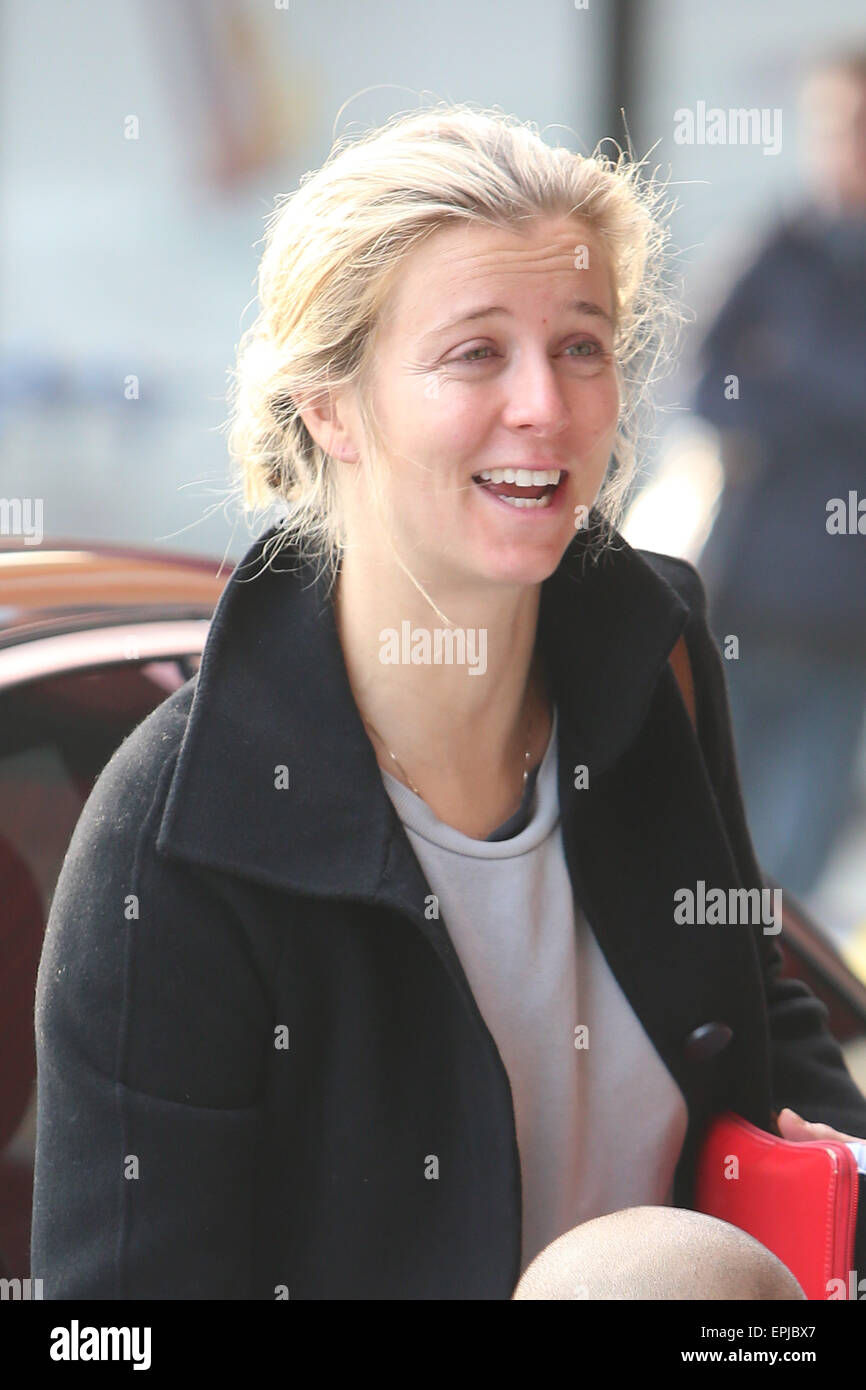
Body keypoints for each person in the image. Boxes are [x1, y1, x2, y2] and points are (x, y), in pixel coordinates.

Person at [30, 103, 866, 1300]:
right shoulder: (175, 836)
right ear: (330, 406)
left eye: (580, 346)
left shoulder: (651, 660)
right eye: (475, 353)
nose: (545, 402)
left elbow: (753, 1009)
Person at [690, 51, 866, 901]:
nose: (846, 149)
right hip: (749, 594)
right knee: (717, 839)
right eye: (834, 128)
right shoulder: (777, 247)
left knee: (798, 867)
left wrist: (790, 370)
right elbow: (705, 390)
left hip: (848, 619)